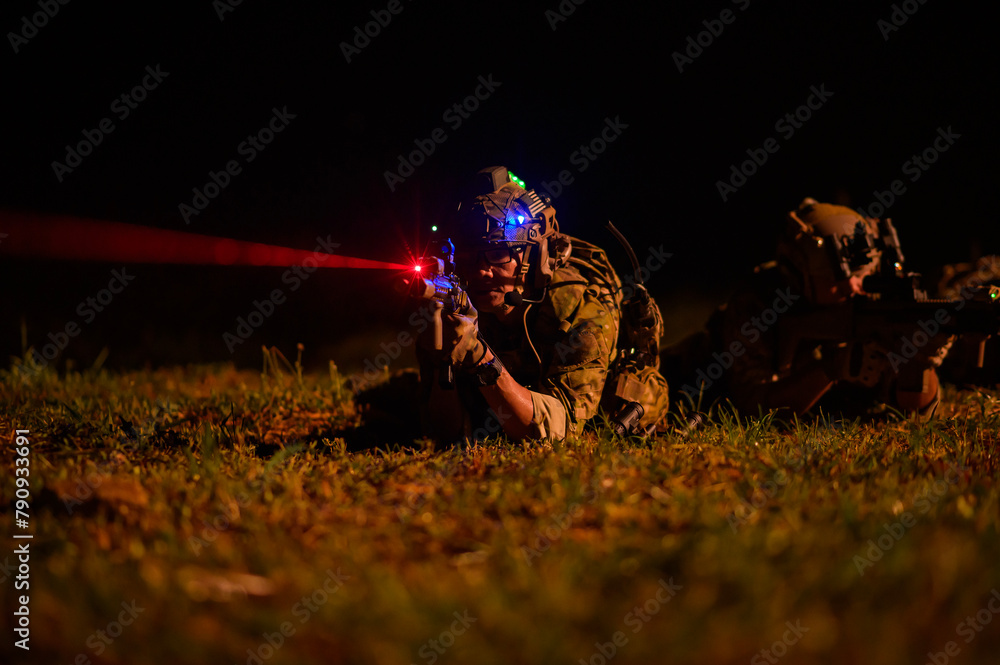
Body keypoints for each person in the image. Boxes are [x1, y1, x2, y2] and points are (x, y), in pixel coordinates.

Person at [413, 166, 668, 443]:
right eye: (467, 256)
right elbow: (442, 435)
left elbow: (559, 431)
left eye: (498, 254)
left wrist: (479, 357)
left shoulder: (577, 308)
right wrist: (443, 358)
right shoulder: (459, 306)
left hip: (597, 410)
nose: (481, 272)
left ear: (534, 258)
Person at [669, 198, 951, 420]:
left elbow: (912, 413)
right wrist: (832, 368)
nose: (854, 287)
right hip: (693, 376)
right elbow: (753, 409)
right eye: (835, 280)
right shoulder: (759, 305)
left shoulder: (877, 302)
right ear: (798, 274)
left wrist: (920, 365)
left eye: (861, 274)